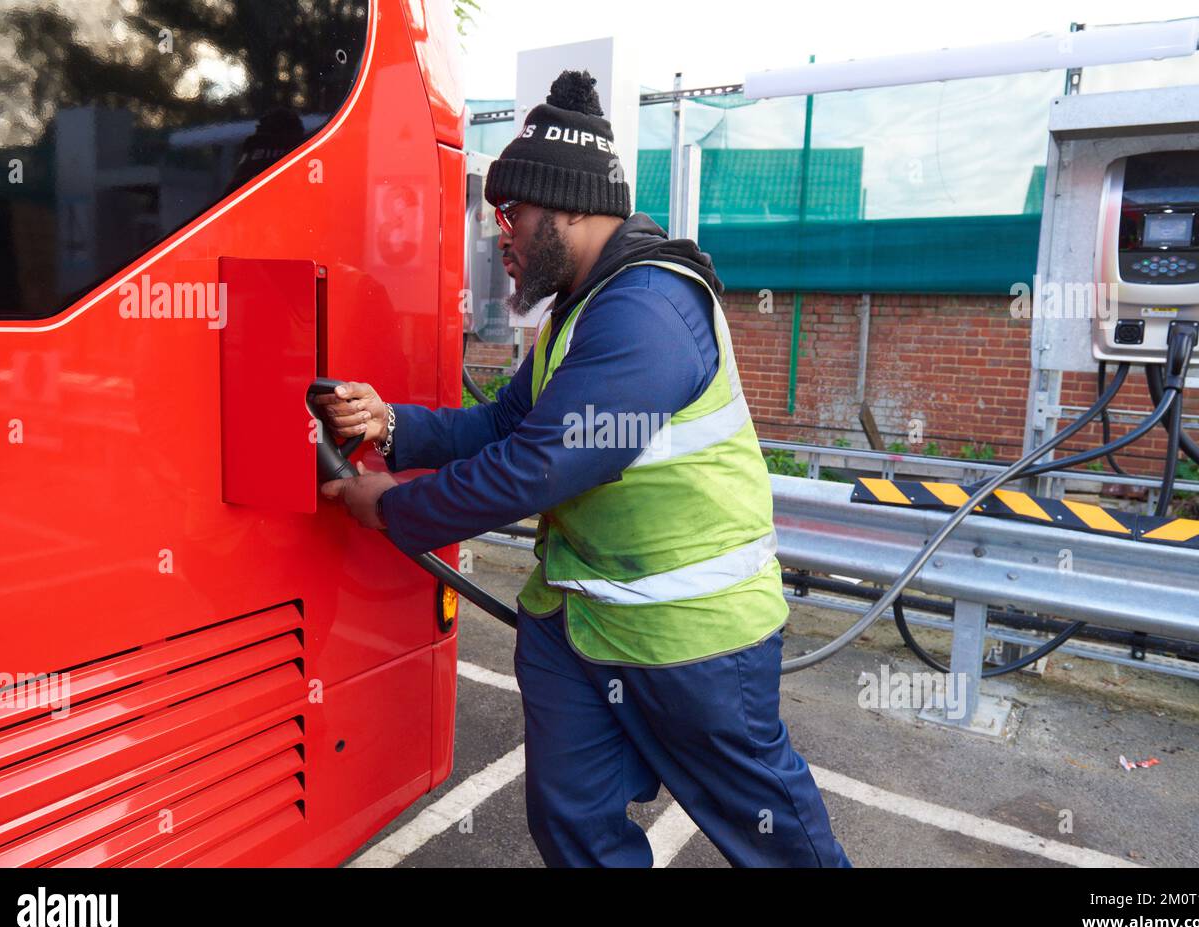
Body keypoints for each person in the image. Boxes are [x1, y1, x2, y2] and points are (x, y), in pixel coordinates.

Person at [317, 69, 851, 868]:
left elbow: (536, 466)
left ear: (569, 207)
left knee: (768, 833)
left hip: (693, 641)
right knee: (573, 822)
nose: (503, 235)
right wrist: (389, 426)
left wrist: (388, 508)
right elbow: (503, 421)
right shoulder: (582, 309)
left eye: (516, 213)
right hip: (581, 626)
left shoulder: (649, 312)